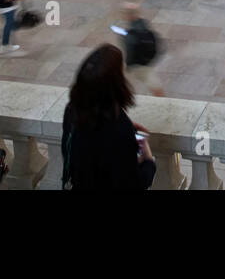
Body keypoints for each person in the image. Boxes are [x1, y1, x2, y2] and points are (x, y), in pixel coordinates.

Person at [61, 44, 157, 190]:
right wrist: (148, 161)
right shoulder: (119, 129)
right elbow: (134, 184)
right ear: (116, 82)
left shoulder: (72, 110)